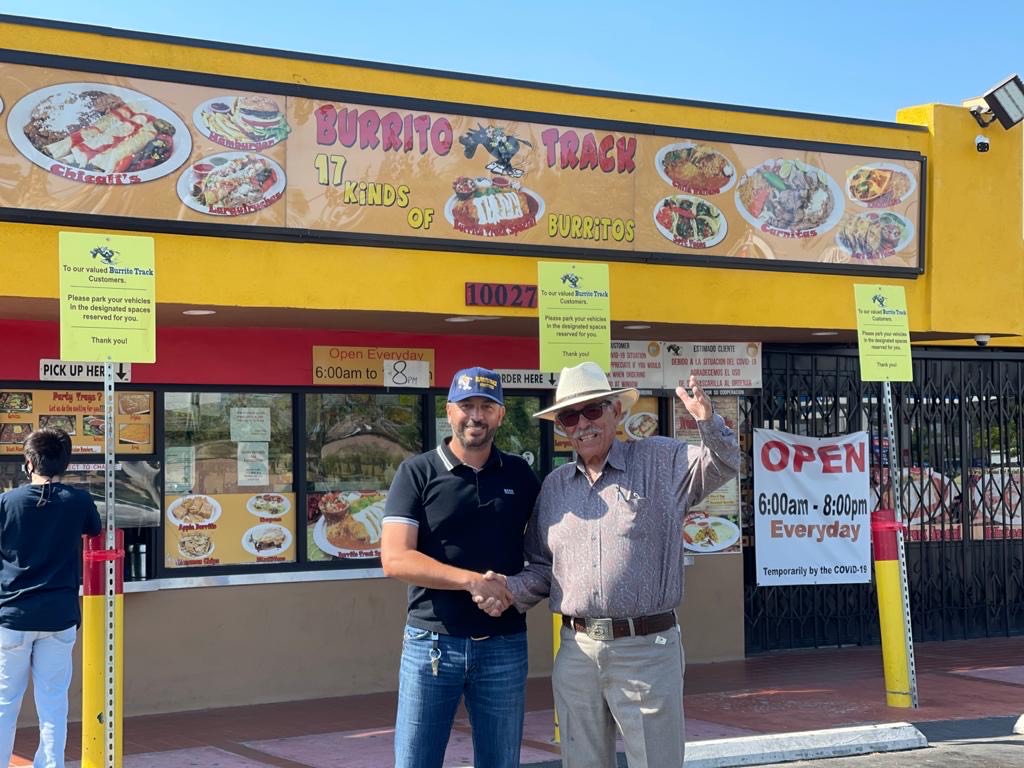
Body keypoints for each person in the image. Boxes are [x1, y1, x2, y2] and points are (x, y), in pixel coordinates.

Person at [484, 361, 739, 768]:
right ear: (561, 427)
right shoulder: (555, 487)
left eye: (592, 411)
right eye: (570, 416)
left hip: (648, 649)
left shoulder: (660, 461)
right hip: (577, 651)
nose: (582, 424)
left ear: (616, 412)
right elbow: (543, 567)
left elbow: (725, 463)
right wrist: (507, 591)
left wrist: (707, 421)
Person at [381, 366, 540, 768]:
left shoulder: (521, 475)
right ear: (449, 411)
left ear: (501, 414)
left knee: (501, 762)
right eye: (467, 405)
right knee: (416, 761)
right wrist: (471, 582)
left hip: (504, 646)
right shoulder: (416, 473)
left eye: (487, 406)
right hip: (432, 644)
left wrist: (511, 588)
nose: (476, 416)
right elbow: (395, 558)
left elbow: (544, 554)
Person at [0, 427, 102, 768]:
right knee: (53, 702)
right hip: (59, 616)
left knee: (4, 704)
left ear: (29, 462)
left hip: (12, 616)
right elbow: (94, 530)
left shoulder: (7, 502)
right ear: (66, 463)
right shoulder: (79, 502)